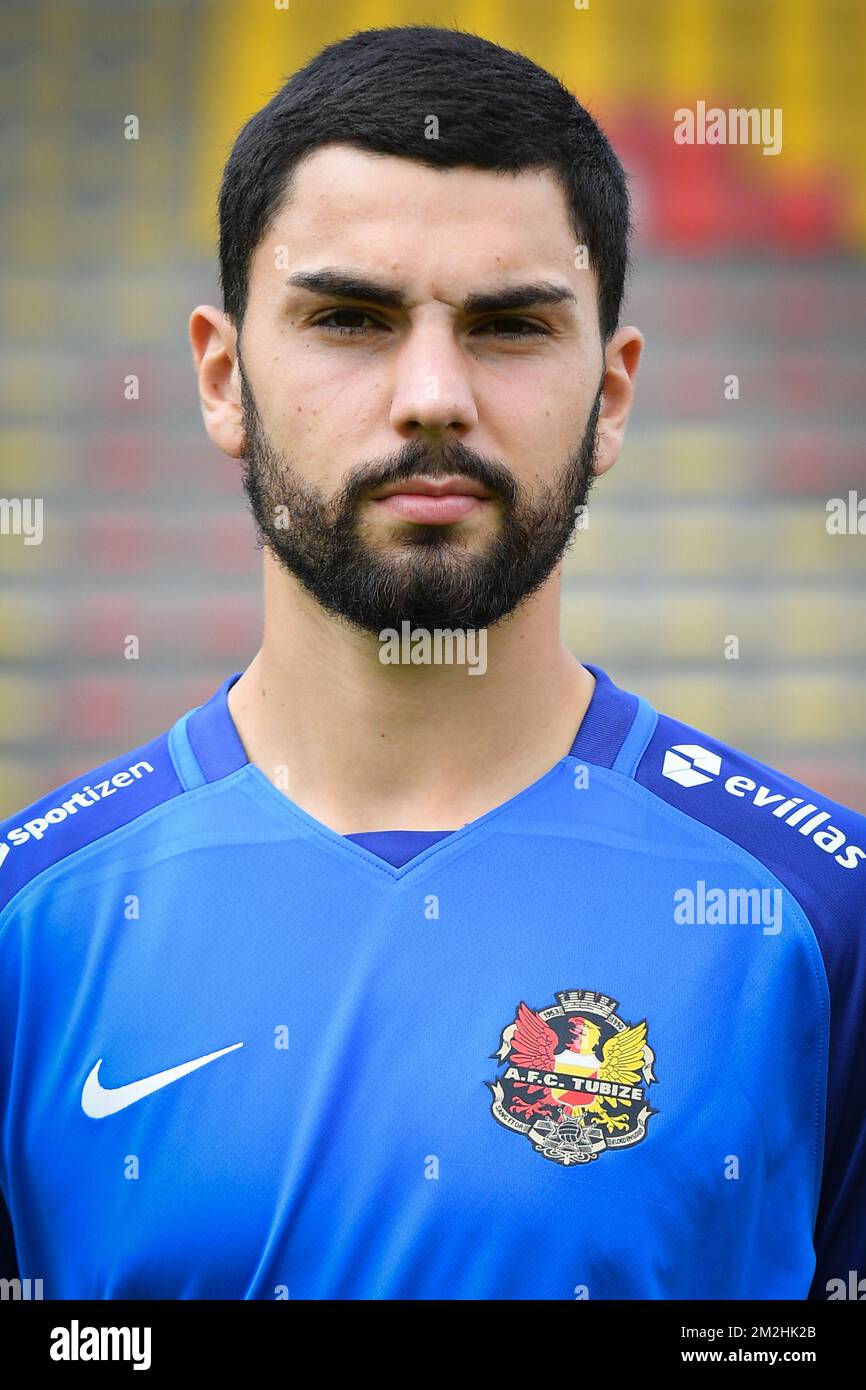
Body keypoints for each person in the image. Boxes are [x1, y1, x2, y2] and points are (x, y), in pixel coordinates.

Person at [0, 25, 863, 1301]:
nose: (430, 395)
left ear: (610, 396)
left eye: (509, 327)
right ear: (223, 375)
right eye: (349, 317)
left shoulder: (820, 923)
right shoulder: (30, 931)